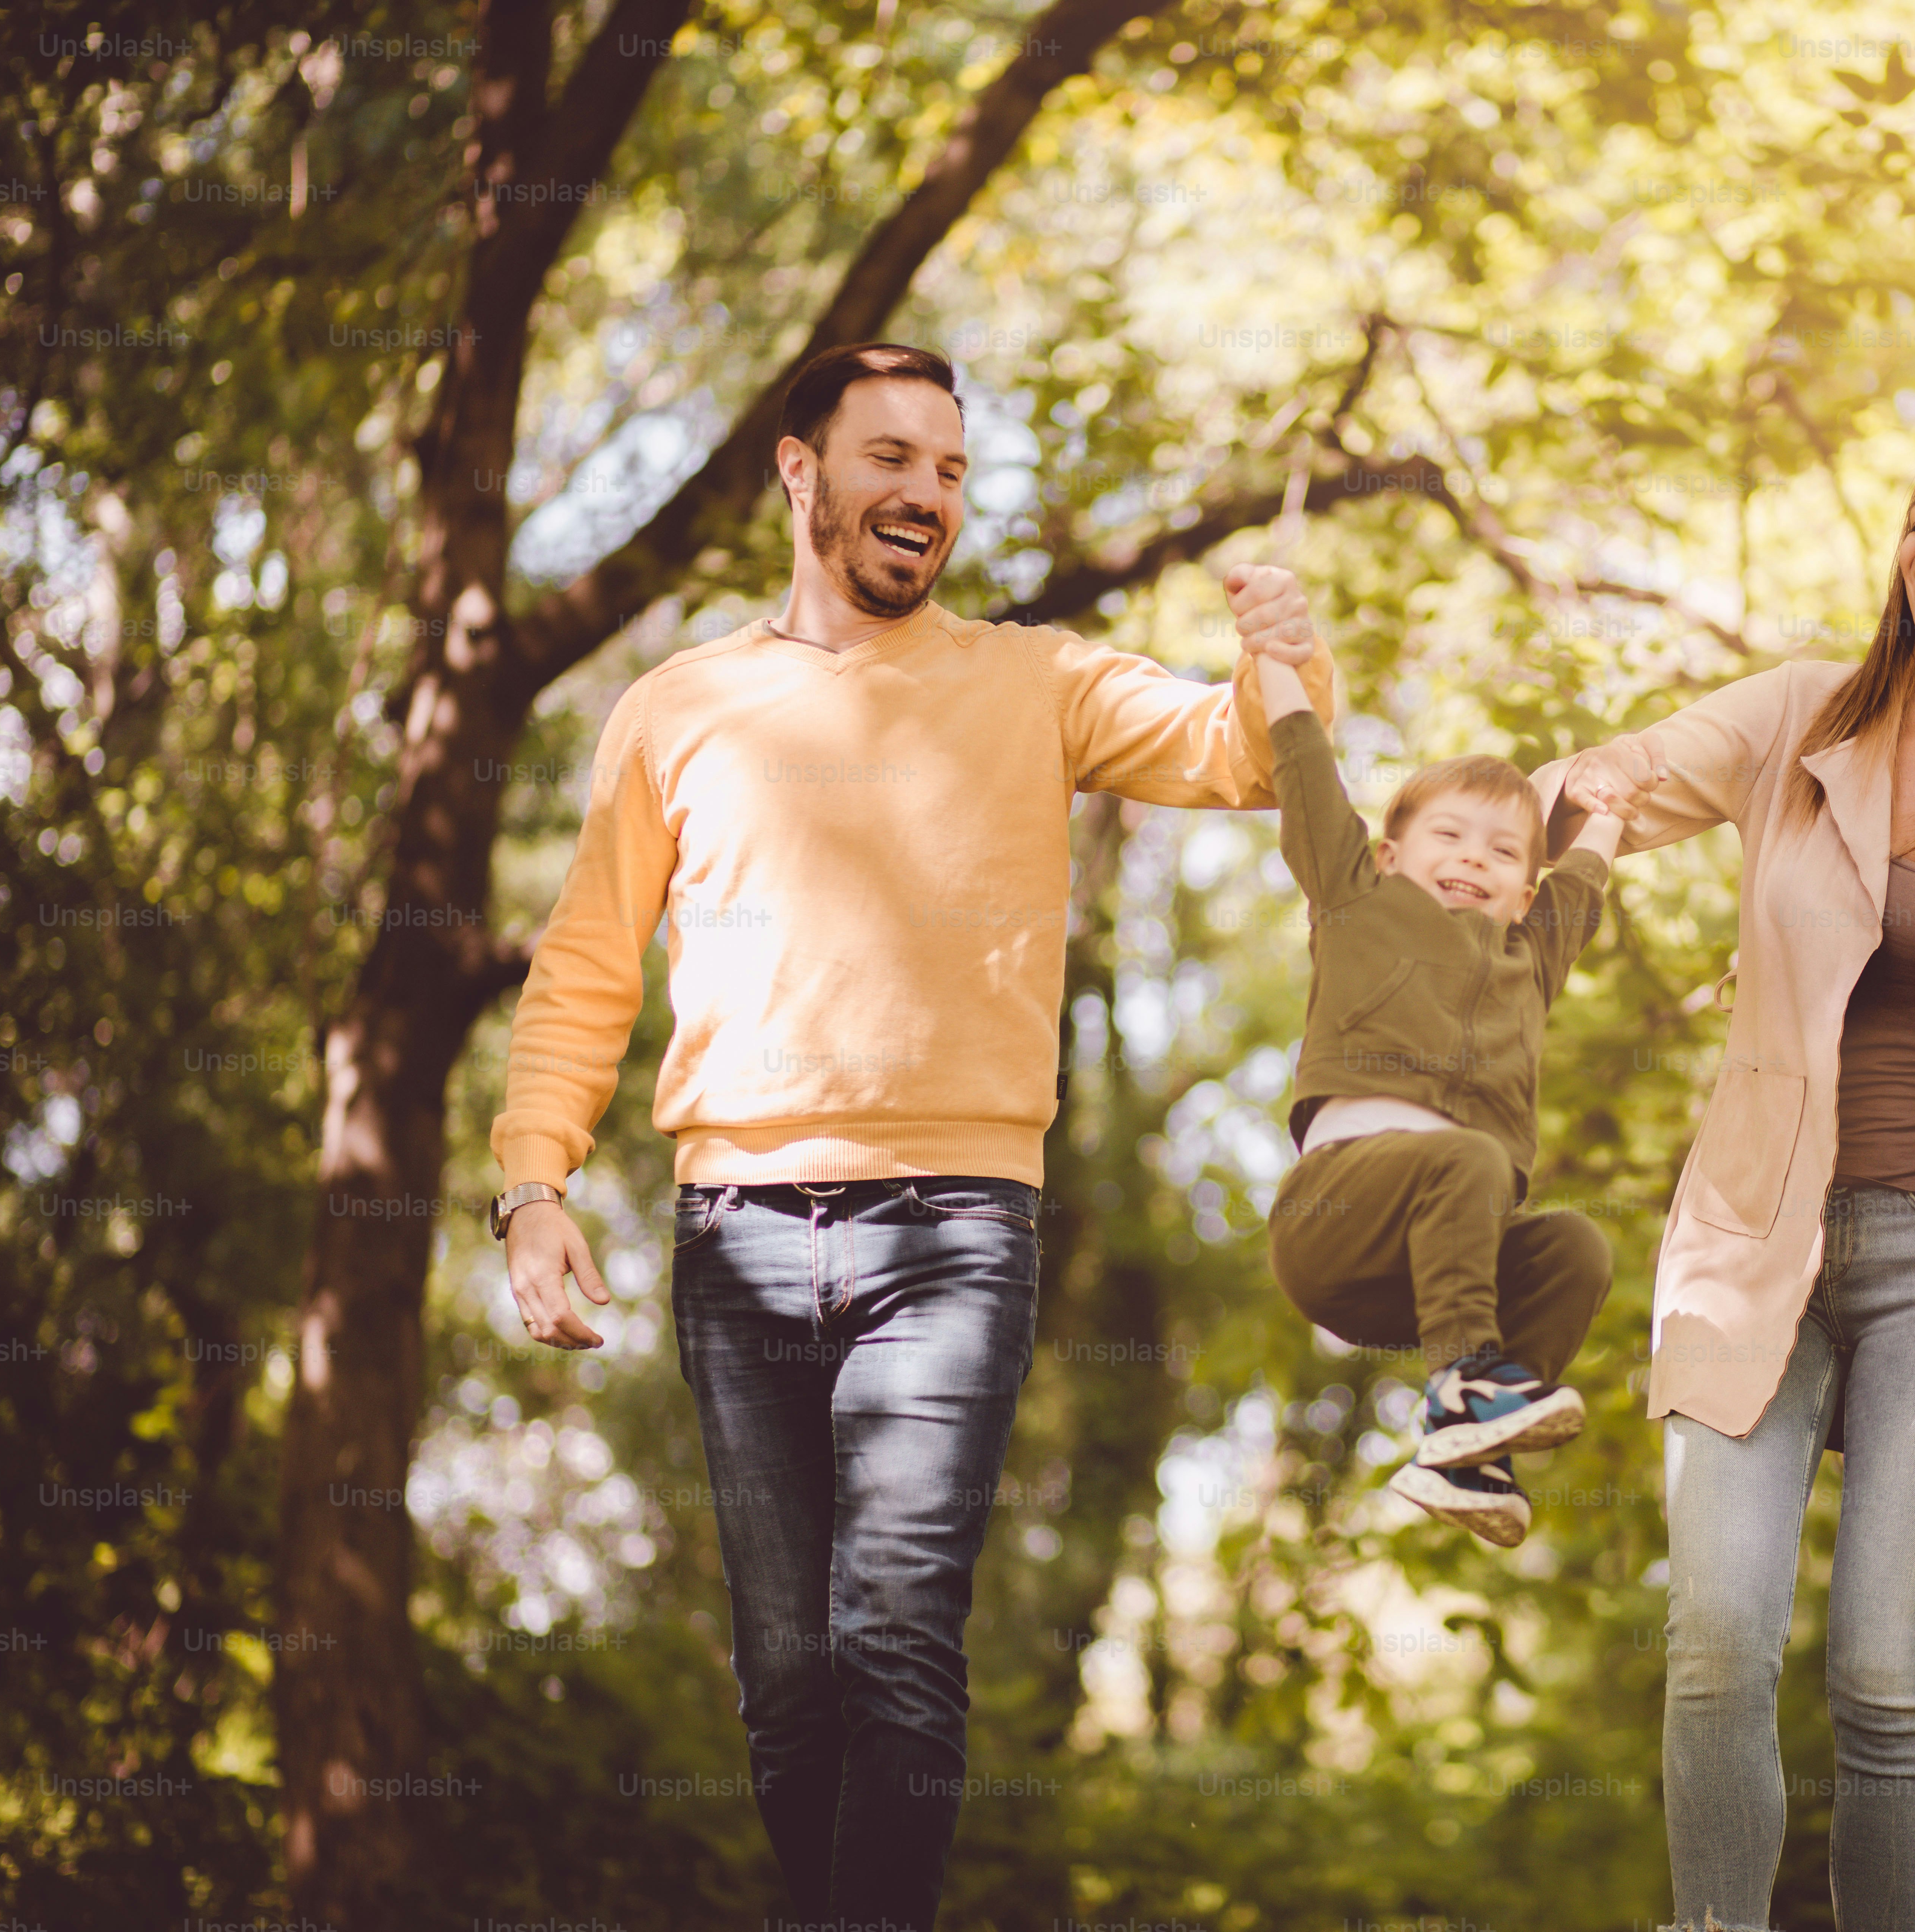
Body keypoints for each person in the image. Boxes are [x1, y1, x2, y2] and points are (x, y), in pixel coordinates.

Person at [484, 341, 1335, 1932]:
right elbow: (587, 963)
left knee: (891, 1633)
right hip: (735, 1228)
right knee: (790, 1682)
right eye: (890, 459)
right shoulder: (679, 709)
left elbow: (1232, 754)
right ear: (799, 472)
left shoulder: (1035, 678)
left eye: (947, 469)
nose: (924, 496)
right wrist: (533, 1185)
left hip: (956, 1226)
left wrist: (1283, 661)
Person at [1546, 427, 1915, 1932]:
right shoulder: (1800, 717)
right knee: (1712, 1643)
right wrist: (1474, 835)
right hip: (1756, 1239)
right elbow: (1617, 776)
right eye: (1914, 515)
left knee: (1885, 1674)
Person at [1242, 616, 1627, 1546]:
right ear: (1389, 855)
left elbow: (1580, 885)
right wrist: (1273, 662)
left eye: (1502, 854)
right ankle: (1463, 1385)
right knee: (1467, 1159)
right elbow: (1305, 773)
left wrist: (1607, 806)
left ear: (1523, 894)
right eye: (1448, 836)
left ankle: (1467, 1451)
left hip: (1428, 1271)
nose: (1471, 859)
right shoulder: (1354, 899)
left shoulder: (1527, 961)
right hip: (1335, 1223)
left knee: (1576, 1245)